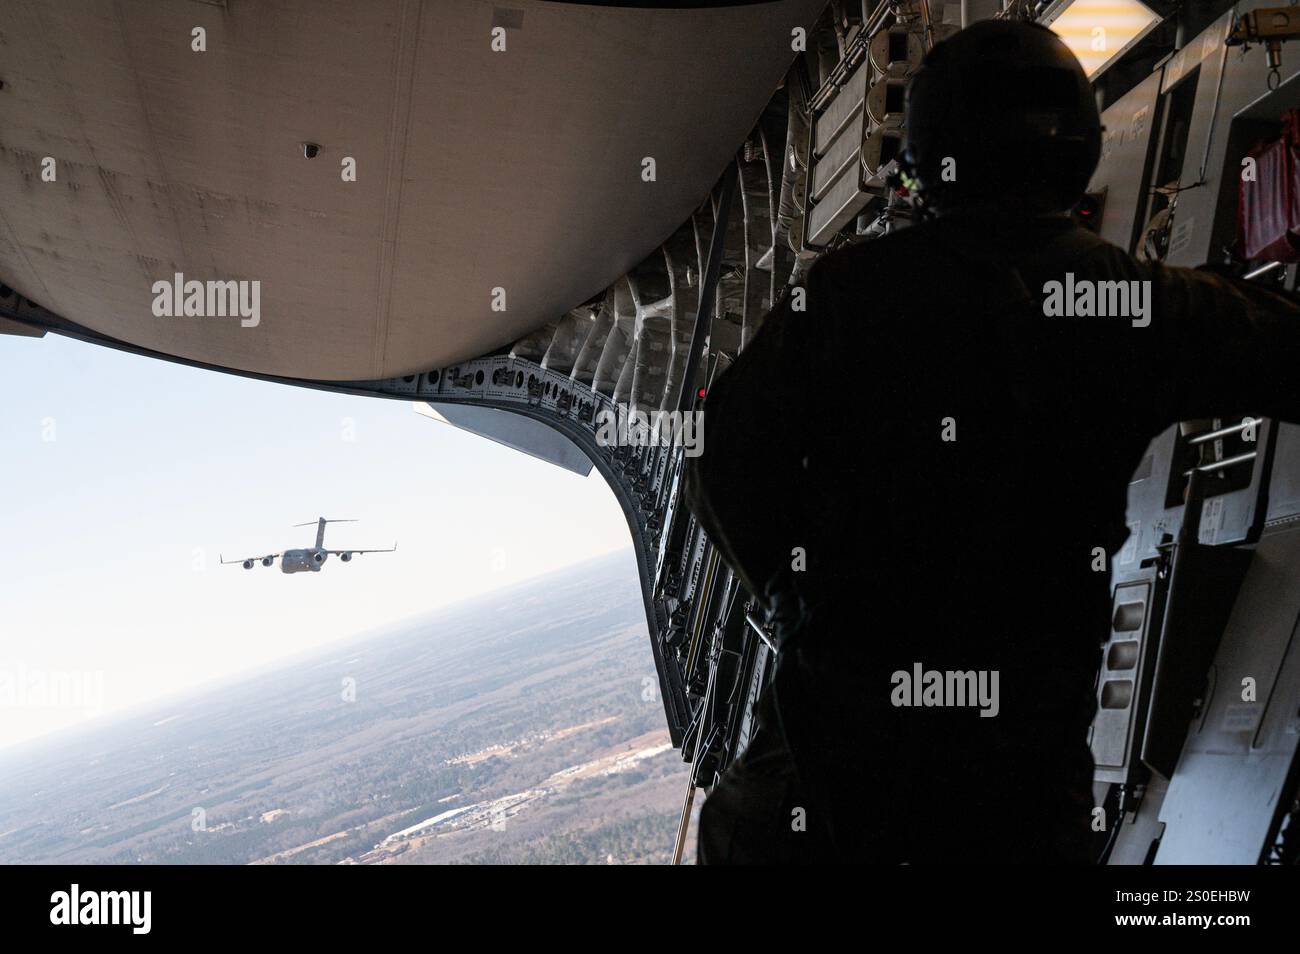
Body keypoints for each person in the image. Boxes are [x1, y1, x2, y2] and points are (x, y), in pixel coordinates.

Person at [686, 18, 1300, 863]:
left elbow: (722, 454)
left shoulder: (848, 295)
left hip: (835, 763)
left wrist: (795, 596)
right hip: (1016, 773)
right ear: (1077, 146)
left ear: (934, 151)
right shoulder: (1133, 305)